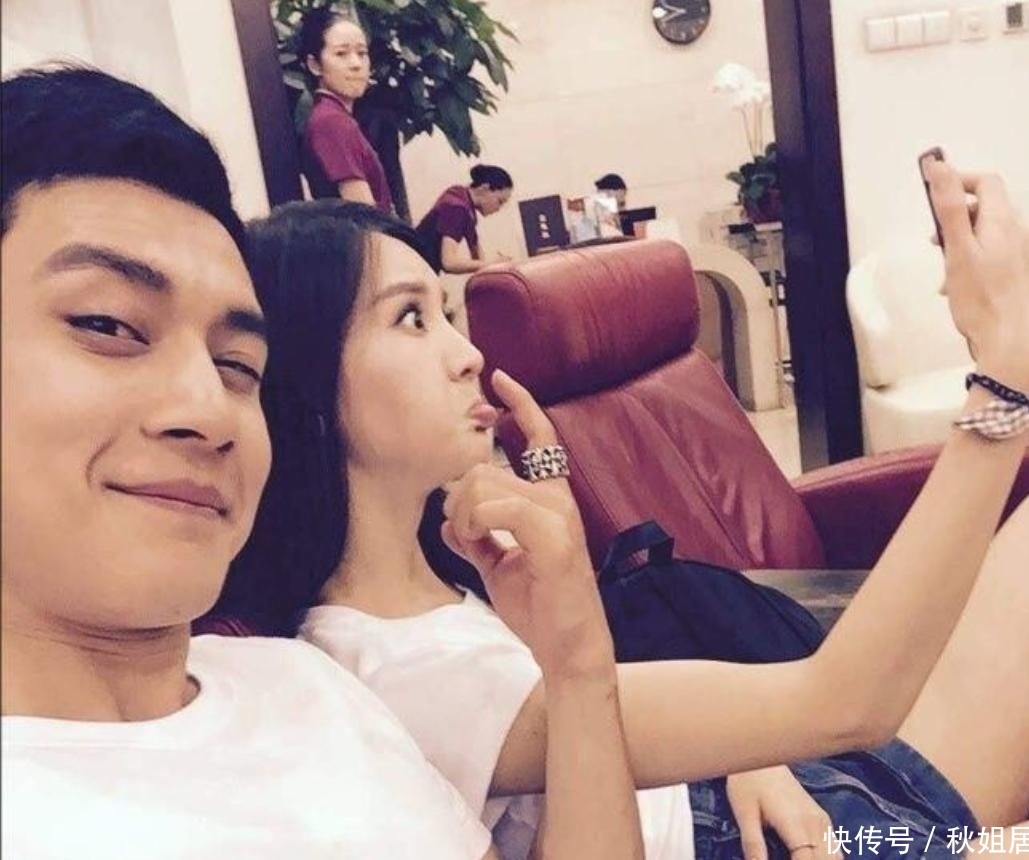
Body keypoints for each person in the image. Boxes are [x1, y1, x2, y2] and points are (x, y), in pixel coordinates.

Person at [221, 186, 1029, 858]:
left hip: (794, 796)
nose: (467, 354)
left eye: (447, 314)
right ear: (304, 381)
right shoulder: (388, 671)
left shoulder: (449, 572)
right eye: (411, 318)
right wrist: (1005, 383)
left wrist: (731, 759)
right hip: (792, 830)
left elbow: (602, 697)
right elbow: (844, 701)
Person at [0, 65, 649, 860]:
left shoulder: (302, 685)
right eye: (108, 324)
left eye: (237, 366)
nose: (210, 410)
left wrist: (580, 667)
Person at [298, 6, 394, 213]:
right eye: (341, 53)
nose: (356, 64)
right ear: (315, 65)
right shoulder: (331, 122)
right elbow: (365, 215)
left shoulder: (336, 116)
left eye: (362, 53)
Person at [416, 164, 515, 273]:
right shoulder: (457, 208)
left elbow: (477, 256)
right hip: (417, 268)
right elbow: (449, 262)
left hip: (422, 267)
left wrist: (491, 265)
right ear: (484, 188)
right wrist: (492, 264)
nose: (499, 208)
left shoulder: (462, 198)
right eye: (500, 201)